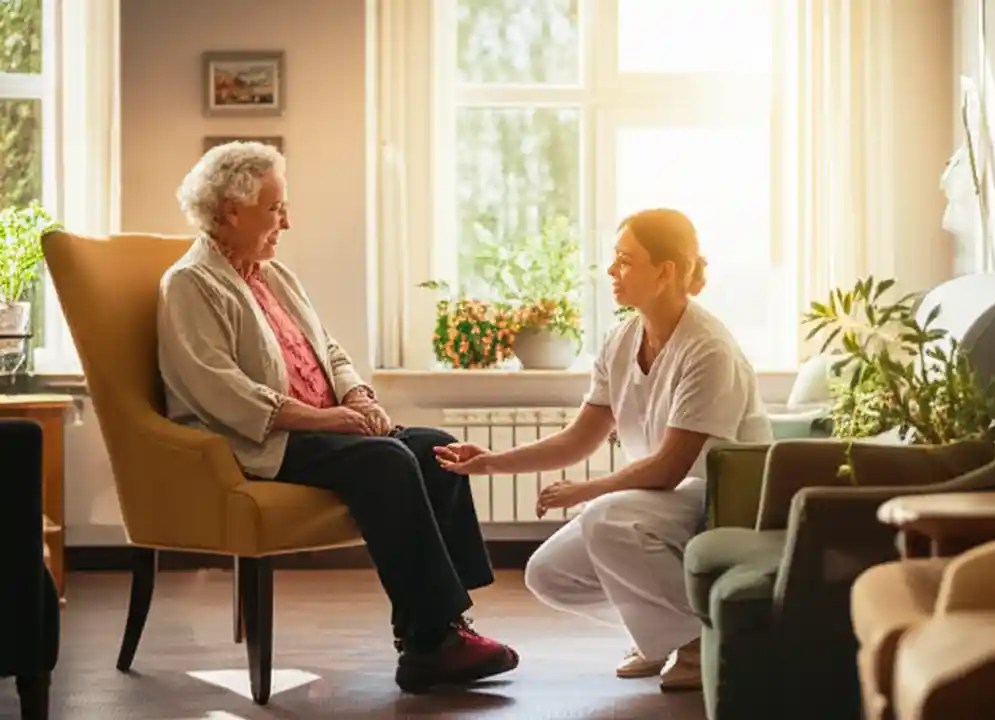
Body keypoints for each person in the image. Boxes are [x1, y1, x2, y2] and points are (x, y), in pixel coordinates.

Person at [156, 141, 518, 693]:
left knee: (436, 449)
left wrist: (357, 398)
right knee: (388, 461)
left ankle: (435, 630)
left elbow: (331, 352)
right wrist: (326, 421)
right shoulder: (190, 284)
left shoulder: (274, 276)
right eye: (276, 208)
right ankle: (433, 642)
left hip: (326, 427)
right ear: (232, 209)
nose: (288, 221)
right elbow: (220, 391)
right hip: (260, 442)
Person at [436, 208, 772, 691]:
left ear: (666, 270)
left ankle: (696, 645)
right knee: (549, 573)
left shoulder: (709, 349)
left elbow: (672, 468)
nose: (612, 272)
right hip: (664, 499)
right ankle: (662, 634)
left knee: (606, 515)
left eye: (625, 260)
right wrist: (490, 463)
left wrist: (585, 491)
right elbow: (579, 438)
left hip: (721, 495)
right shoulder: (621, 339)